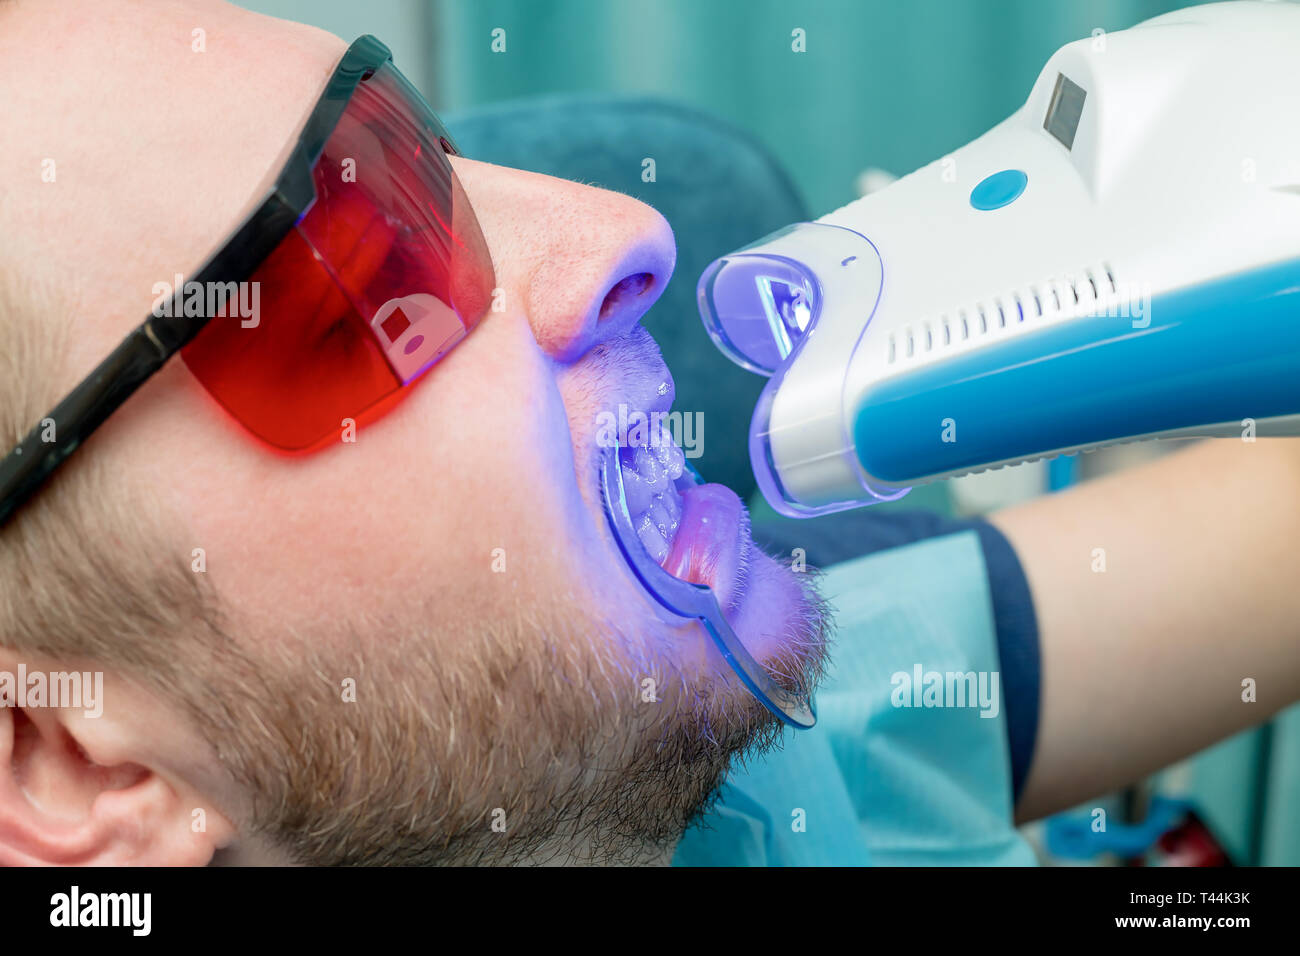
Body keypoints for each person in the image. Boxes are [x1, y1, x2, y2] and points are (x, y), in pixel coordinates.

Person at [1, 0, 1296, 867]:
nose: (627, 233)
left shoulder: (735, 786)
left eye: (424, 155)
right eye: (363, 273)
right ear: (59, 757)